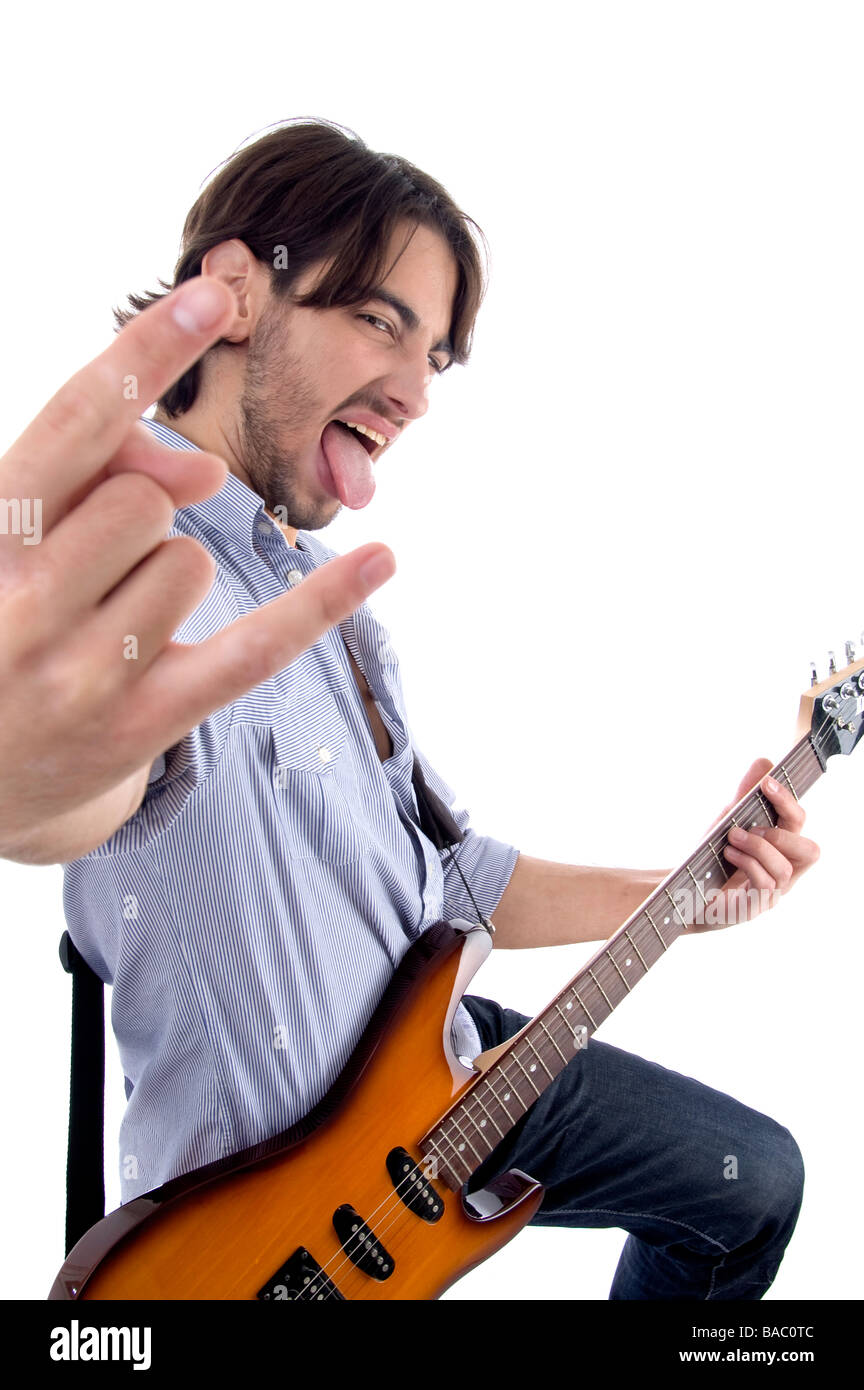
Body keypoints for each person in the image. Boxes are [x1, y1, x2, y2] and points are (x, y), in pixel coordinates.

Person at [15, 119, 819, 1298]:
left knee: (754, 1186)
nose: (414, 394)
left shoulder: (337, 617)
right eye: (380, 321)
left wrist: (685, 895)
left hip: (445, 1072)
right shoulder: (124, 568)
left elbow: (447, 880)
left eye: (433, 355)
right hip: (282, 1208)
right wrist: (17, 774)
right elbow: (69, 786)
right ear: (236, 296)